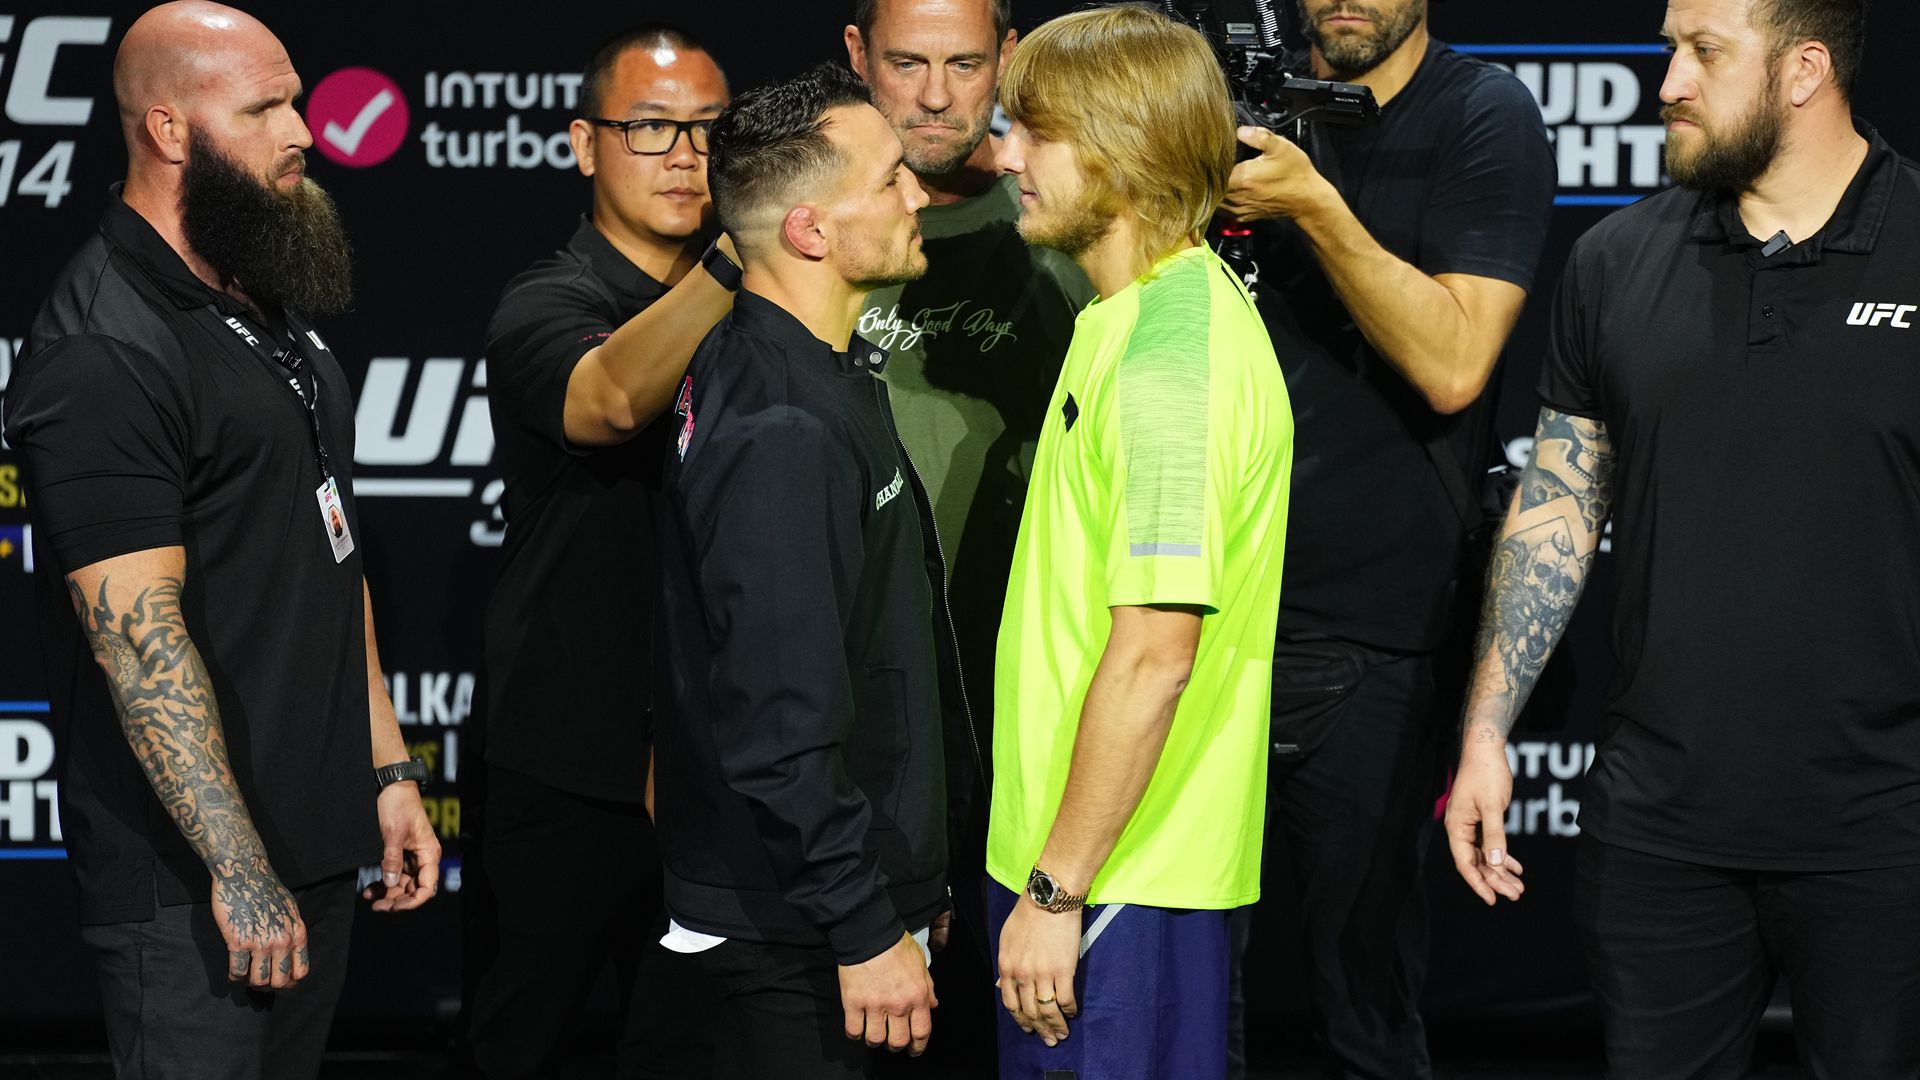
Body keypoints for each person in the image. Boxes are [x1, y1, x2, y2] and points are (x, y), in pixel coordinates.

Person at [1444, 1, 1920, 1076]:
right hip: (1660, 832)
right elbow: (1557, 512)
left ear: (1804, 72)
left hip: (1885, 833)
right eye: (1671, 48)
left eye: (1704, 52)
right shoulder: (1615, 260)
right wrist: (1486, 731)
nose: (1667, 82)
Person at [2, 3, 439, 1077]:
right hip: (192, 885)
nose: (304, 130)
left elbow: (333, 552)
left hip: (315, 844)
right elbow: (136, 641)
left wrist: (387, 766)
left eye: (295, 97)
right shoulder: (105, 347)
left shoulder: (256, 293)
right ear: (166, 130)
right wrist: (236, 866)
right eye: (264, 108)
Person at [1214, 0, 1555, 1072]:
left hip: (1369, 631)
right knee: (1169, 979)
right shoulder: (1218, 100)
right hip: (1192, 613)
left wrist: (1315, 207)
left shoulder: (1482, 116)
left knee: (1361, 1003)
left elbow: (1455, 365)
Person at [985, 8, 1293, 1079]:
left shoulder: (1174, 364)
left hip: (1118, 887)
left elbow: (1158, 655)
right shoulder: (1126, 317)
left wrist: (1054, 890)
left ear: (1121, 145)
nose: (1004, 152)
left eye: (1035, 130)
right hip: (1081, 868)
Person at [650, 61, 963, 1078]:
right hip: (800, 935)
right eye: (887, 180)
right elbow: (779, 725)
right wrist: (868, 925)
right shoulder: (782, 427)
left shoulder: (811, 369)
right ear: (811, 231)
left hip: (827, 902)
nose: (917, 194)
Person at [467, 22, 736, 1080]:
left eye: (712, 133)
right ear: (585, 145)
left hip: (711, 778)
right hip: (563, 770)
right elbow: (612, 400)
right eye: (653, 129)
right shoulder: (548, 301)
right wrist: (734, 258)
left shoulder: (761, 313)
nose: (686, 157)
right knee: (516, 1048)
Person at [841, 0, 1095, 1062]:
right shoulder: (809, 225)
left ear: (1009, 57)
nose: (936, 95)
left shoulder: (1064, 231)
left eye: (963, 63)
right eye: (905, 62)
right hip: (852, 691)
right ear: (857, 54)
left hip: (1025, 695)